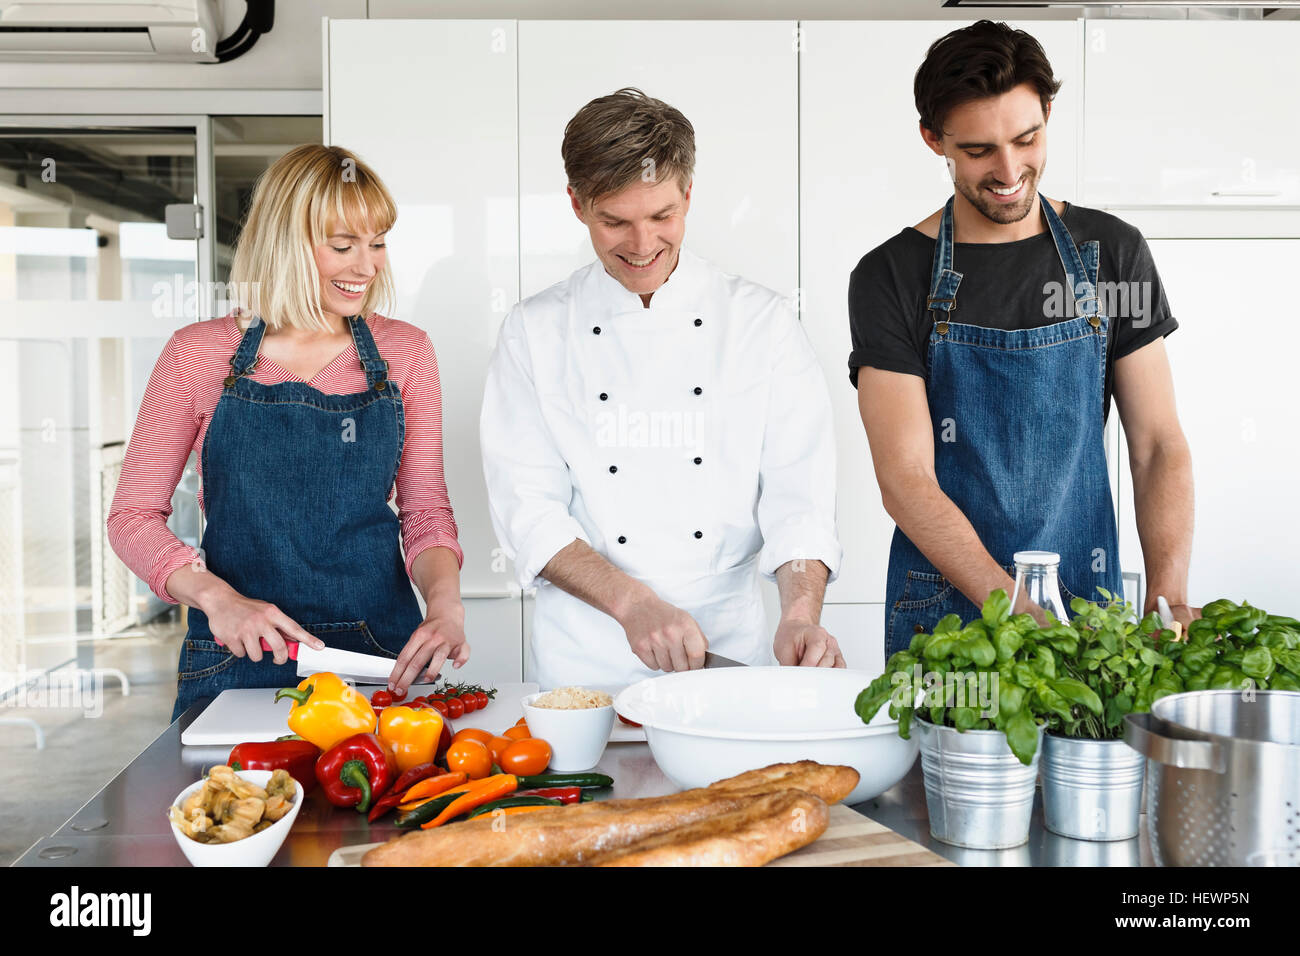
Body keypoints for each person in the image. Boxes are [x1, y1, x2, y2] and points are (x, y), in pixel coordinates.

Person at [850, 21, 1196, 662]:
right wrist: (1014, 611)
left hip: (1090, 606)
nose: (1009, 171)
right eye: (978, 150)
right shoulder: (890, 275)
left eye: (1027, 138)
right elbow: (905, 479)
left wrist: (1166, 595)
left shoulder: (1112, 253)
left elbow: (1157, 446)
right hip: (949, 618)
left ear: (1048, 115)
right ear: (934, 140)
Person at [481, 88, 844, 690]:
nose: (643, 245)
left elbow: (800, 496)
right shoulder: (535, 331)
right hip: (586, 662)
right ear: (576, 205)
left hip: (729, 649)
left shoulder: (763, 322)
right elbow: (528, 510)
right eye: (614, 221)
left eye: (661, 217)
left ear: (689, 196)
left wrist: (800, 614)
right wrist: (630, 603)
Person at [108, 144, 468, 721]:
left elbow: (424, 509)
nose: (367, 266)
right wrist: (217, 600)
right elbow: (132, 515)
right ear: (284, 242)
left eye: (376, 244)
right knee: (240, 811)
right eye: (343, 245)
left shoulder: (405, 352)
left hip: (377, 654)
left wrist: (446, 605)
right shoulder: (199, 355)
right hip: (236, 653)